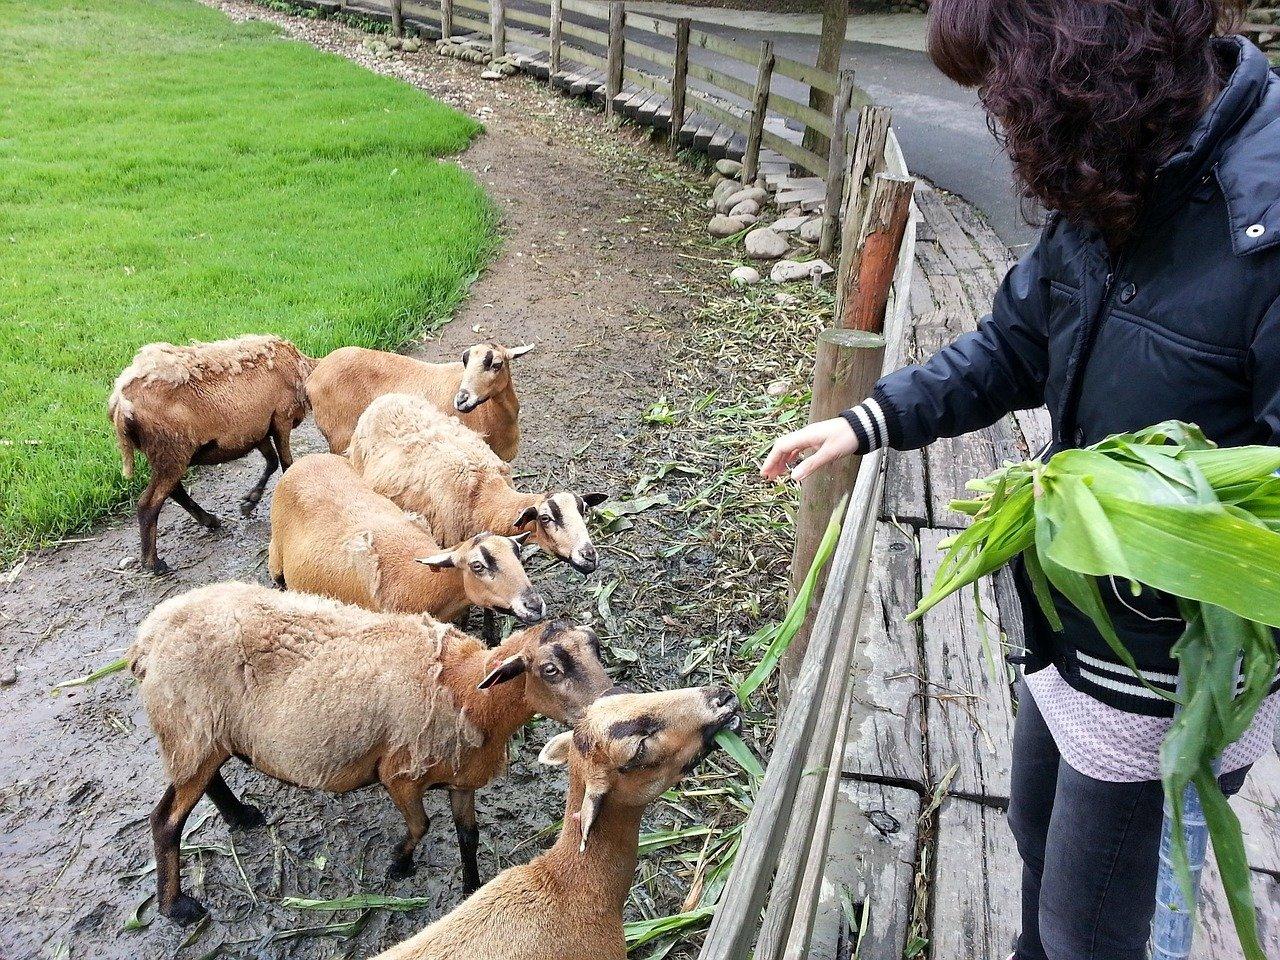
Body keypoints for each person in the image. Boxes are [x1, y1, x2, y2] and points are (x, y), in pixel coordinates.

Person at [761, 2, 1280, 959]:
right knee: (1034, 835)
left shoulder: (1265, 225)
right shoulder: (1123, 169)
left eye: (1005, 82)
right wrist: (864, 422)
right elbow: (1015, 343)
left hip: (1172, 673)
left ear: (1077, 59)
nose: (1001, 115)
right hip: (1075, 615)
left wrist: (1170, 532)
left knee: (1095, 927)